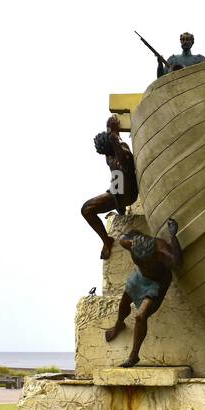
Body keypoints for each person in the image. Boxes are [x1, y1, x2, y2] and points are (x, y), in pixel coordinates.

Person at [105, 218, 183, 368]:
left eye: (147, 262)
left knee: (141, 316)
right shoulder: (128, 242)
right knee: (123, 303)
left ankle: (134, 355)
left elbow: (178, 262)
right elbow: (125, 236)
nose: (145, 264)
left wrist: (173, 236)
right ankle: (119, 324)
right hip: (139, 277)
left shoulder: (161, 250)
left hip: (156, 284)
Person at [81, 115, 139, 260]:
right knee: (89, 208)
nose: (106, 156)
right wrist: (111, 128)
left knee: (86, 210)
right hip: (116, 188)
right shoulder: (110, 154)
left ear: (112, 146)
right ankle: (118, 213)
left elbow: (125, 166)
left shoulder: (122, 154)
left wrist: (114, 139)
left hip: (125, 195)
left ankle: (107, 241)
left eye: (106, 152)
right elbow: (113, 137)